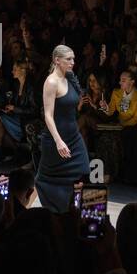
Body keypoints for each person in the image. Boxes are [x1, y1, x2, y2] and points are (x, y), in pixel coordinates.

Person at [35, 44, 90, 213]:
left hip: (73, 136)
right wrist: (59, 141)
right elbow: (48, 115)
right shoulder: (51, 82)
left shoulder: (70, 77)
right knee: (43, 179)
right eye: (69, 59)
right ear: (57, 60)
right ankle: (19, 210)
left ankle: (78, 213)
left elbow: (72, 106)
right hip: (55, 139)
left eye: (73, 58)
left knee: (84, 171)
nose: (73, 62)